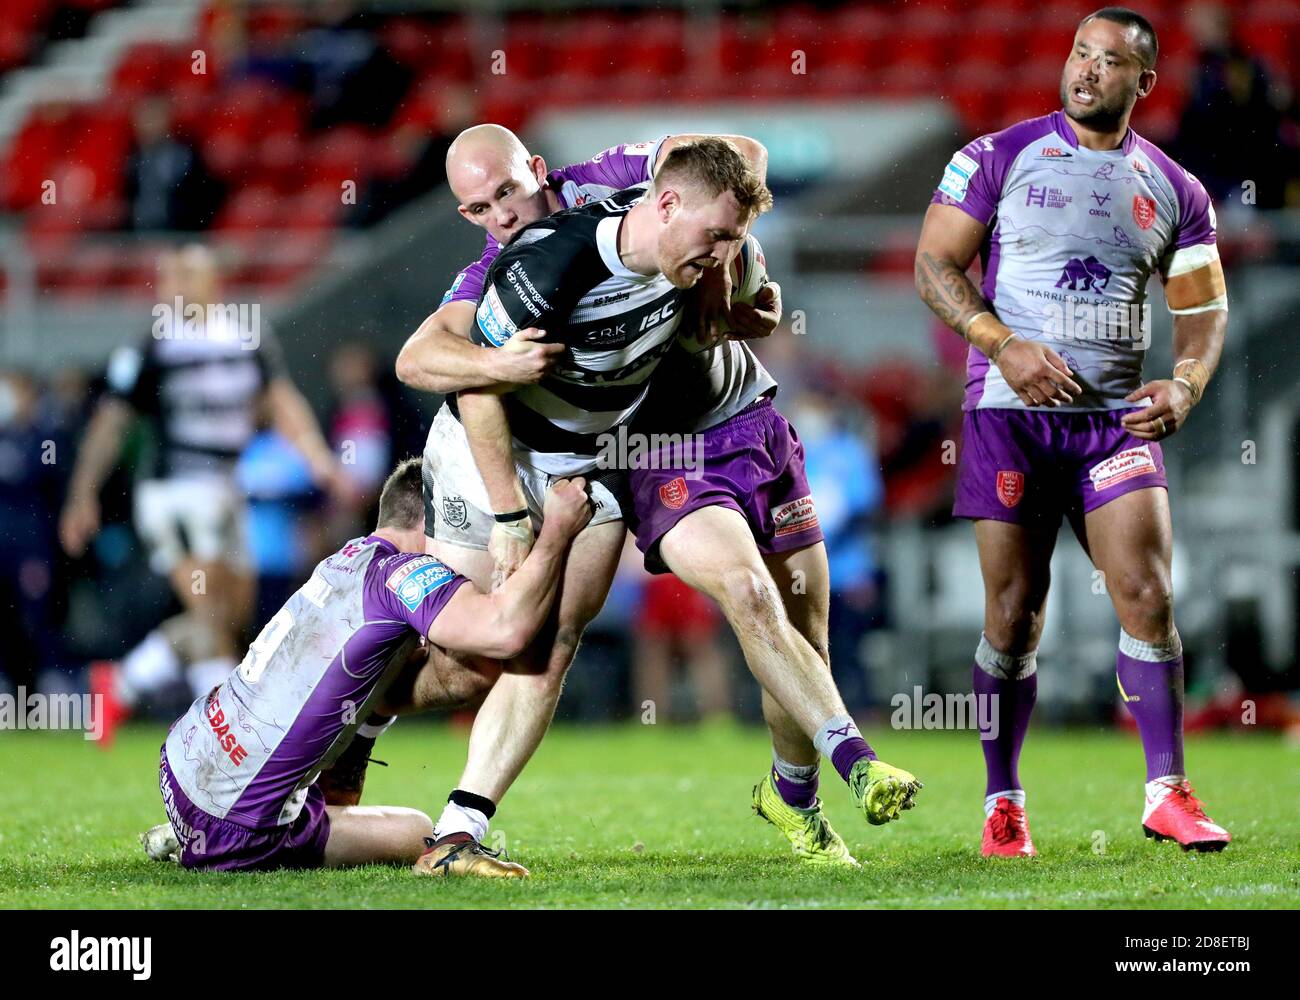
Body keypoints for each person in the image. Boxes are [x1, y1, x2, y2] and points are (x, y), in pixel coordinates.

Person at [438, 137, 921, 872]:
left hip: (747, 417)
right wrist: (509, 512)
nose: (499, 217)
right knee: (720, 596)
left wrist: (722, 262)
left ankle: (794, 799)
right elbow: (436, 363)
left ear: (536, 172)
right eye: (477, 207)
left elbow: (743, 161)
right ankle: (438, 805)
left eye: (506, 192)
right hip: (647, 451)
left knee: (803, 630)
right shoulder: (518, 271)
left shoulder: (623, 184)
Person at [914, 7, 1231, 855]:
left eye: (1111, 60)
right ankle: (1002, 802)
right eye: (1080, 53)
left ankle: (1167, 790)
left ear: (1144, 81)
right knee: (1014, 618)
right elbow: (933, 264)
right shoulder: (996, 156)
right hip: (1008, 422)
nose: (1087, 70)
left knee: (1150, 598)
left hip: (1113, 426)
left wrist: (1188, 383)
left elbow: (1203, 309)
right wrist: (1002, 344)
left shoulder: (1178, 190)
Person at [145, 458, 591, 875]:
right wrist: (556, 532)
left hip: (182, 760)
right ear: (432, 520)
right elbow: (504, 632)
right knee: (417, 829)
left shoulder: (345, 558)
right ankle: (206, 837)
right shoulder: (403, 574)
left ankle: (193, 828)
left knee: (397, 663)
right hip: (235, 824)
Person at [58, 244, 353, 744]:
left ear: (213, 281)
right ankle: (228, 736)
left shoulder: (246, 337)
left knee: (227, 621)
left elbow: (281, 402)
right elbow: (111, 421)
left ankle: (122, 682)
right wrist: (82, 492)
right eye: (169, 277)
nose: (176, 286)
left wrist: (321, 462)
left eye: (187, 275)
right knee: (211, 615)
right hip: (174, 493)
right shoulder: (152, 345)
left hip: (226, 491)